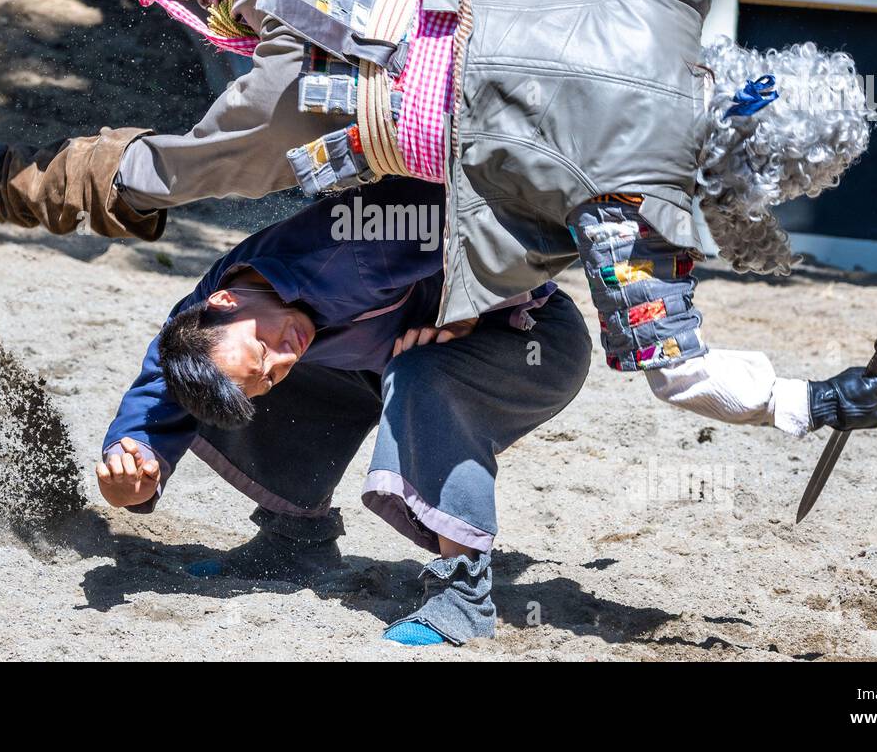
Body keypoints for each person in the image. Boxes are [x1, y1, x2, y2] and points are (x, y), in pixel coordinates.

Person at [0, 0, 877, 476]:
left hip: (370, 11)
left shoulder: (653, 7)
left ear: (755, 73)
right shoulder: (637, 221)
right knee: (153, 173)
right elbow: (675, 371)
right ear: (745, 183)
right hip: (339, 117)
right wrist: (807, 400)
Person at [96, 177, 592, 645]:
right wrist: (132, 458)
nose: (282, 355)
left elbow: (506, 216)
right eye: (269, 359)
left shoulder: (353, 246)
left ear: (225, 302)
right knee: (236, 387)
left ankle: (463, 597)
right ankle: (296, 541)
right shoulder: (203, 323)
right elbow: (164, 382)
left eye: (264, 346)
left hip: (533, 339)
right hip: (395, 354)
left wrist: (463, 309)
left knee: (419, 374)